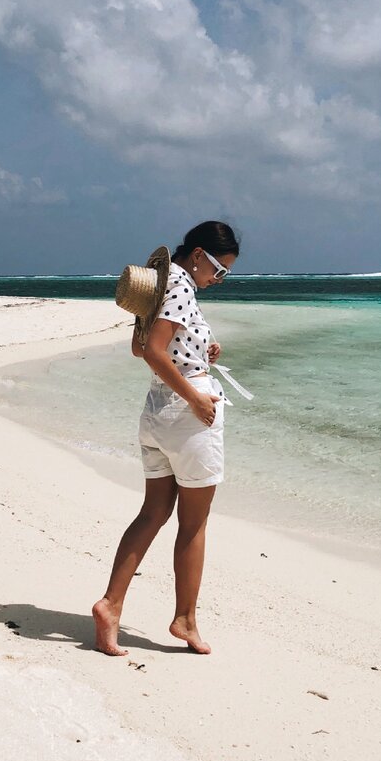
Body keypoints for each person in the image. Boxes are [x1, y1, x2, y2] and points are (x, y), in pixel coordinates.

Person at [92, 220, 240, 656]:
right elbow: (154, 351)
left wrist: (204, 347)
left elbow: (143, 347)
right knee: (192, 524)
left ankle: (111, 605)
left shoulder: (163, 284)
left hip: (157, 412)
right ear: (197, 255)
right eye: (218, 269)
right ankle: (186, 620)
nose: (218, 279)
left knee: (153, 512)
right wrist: (196, 397)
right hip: (184, 414)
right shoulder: (180, 285)